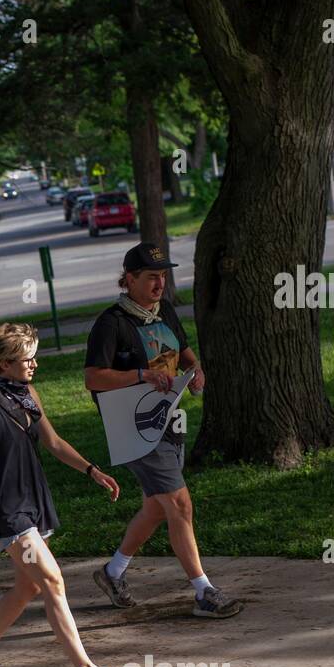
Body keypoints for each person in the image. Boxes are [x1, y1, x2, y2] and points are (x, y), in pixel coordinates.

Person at [0, 323, 129, 667]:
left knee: (29, 587)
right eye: (27, 358)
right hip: (6, 511)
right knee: (52, 580)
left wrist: (91, 470)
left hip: (31, 501)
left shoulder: (27, 394)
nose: (34, 364)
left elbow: (52, 441)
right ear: (4, 363)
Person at [84, 242, 243, 618]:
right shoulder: (112, 323)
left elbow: (184, 351)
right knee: (180, 503)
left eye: (163, 276)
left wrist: (196, 370)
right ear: (128, 279)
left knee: (157, 506)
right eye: (152, 277)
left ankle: (112, 572)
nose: (160, 284)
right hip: (133, 427)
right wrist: (141, 374)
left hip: (168, 417)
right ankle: (204, 592)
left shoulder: (164, 311)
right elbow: (93, 377)